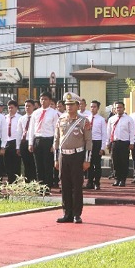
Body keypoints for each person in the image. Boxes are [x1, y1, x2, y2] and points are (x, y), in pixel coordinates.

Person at [54, 92, 91, 223]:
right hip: (63, 155)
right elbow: (56, 140)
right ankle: (67, 213)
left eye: (72, 104)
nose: (69, 107)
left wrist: (87, 159)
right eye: (67, 104)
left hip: (77, 155)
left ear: (77, 105)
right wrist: (55, 158)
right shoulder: (60, 119)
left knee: (77, 185)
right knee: (65, 186)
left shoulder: (83, 121)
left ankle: (77, 214)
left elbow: (88, 141)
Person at [28, 92, 59, 189]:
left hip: (48, 140)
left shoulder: (54, 113)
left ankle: (48, 185)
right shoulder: (36, 113)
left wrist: (54, 144)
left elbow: (56, 130)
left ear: (50, 101)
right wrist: (30, 143)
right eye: (41, 99)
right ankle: (40, 185)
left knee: (48, 164)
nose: (43, 101)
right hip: (38, 140)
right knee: (38, 164)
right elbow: (31, 128)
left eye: (45, 99)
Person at [106, 100, 135, 186]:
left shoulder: (129, 119)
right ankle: (117, 178)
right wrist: (108, 143)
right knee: (115, 161)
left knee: (124, 161)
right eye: (117, 108)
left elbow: (131, 132)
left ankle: (123, 179)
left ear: (124, 108)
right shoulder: (111, 119)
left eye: (120, 107)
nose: (118, 109)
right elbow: (109, 132)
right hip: (115, 142)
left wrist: (132, 143)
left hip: (124, 143)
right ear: (114, 109)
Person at [85, 100, 107, 190]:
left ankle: (97, 182)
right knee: (88, 163)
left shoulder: (101, 120)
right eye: (91, 107)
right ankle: (89, 182)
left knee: (97, 164)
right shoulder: (87, 119)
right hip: (88, 142)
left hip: (97, 142)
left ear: (97, 108)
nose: (92, 108)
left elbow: (104, 134)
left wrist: (102, 147)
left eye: (94, 107)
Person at [16, 99, 37, 182]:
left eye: (29, 106)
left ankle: (34, 180)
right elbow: (19, 132)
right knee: (26, 163)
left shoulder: (35, 117)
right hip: (24, 142)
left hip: (32, 142)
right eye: (26, 106)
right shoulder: (22, 118)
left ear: (33, 107)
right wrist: (18, 146)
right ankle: (27, 181)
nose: (27, 108)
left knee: (33, 163)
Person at [2, 100, 22, 183]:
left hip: (15, 141)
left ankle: (16, 180)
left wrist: (18, 145)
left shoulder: (20, 118)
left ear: (16, 108)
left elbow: (20, 131)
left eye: (12, 107)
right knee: (7, 162)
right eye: (9, 108)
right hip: (7, 141)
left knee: (16, 162)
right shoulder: (5, 118)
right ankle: (10, 179)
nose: (10, 109)